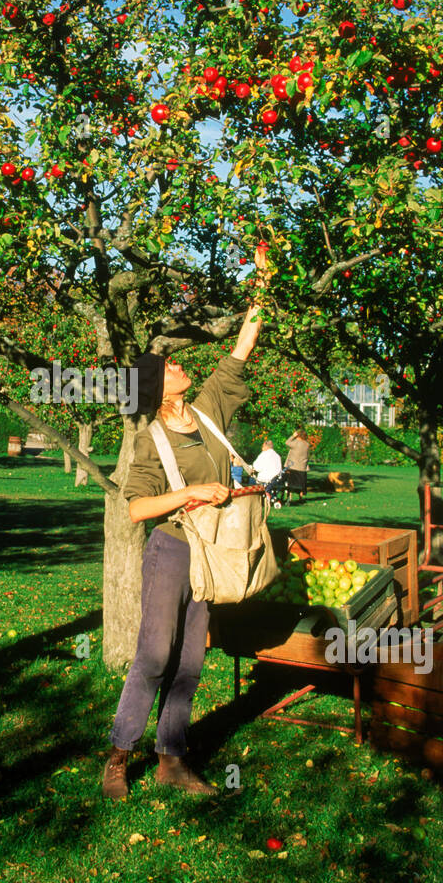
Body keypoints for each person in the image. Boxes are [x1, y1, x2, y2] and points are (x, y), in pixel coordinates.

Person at [102, 252, 268, 800]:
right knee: (154, 655)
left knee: (191, 661)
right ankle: (119, 755)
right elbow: (135, 509)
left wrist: (263, 284)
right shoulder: (150, 438)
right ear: (158, 388)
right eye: (170, 366)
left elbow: (241, 349)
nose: (178, 364)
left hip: (214, 550)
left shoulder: (208, 411)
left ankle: (172, 757)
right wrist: (192, 491)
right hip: (172, 550)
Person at [284, 429, 310, 504]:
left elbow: (287, 442)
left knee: (291, 483)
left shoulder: (296, 443)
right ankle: (301, 497)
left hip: (293, 467)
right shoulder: (307, 445)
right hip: (302, 468)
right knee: (301, 484)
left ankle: (289, 497)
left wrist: (293, 436)